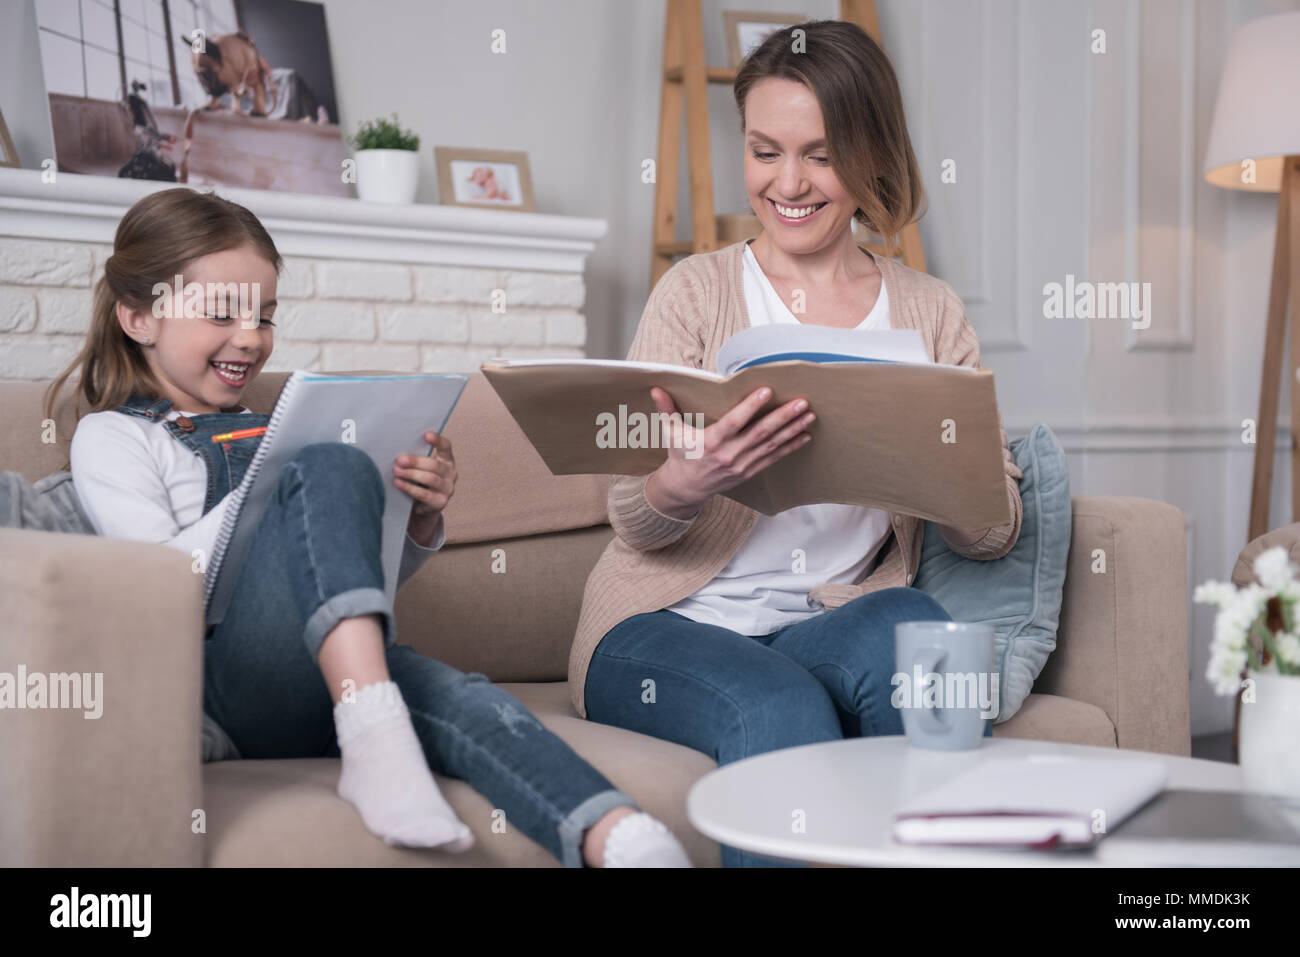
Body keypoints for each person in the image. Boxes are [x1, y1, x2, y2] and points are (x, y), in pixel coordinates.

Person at [49, 187, 690, 868]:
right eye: (222, 314)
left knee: (466, 699)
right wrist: (287, 492)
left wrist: (415, 517)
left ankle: (619, 835)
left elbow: (352, 578)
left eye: (265, 316)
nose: (250, 337)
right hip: (222, 683)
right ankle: (375, 732)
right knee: (326, 461)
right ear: (138, 318)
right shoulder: (113, 438)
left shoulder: (273, 420)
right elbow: (163, 587)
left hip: (334, 673)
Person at [573, 20, 1024, 867]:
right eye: (765, 150)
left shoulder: (930, 311)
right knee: (778, 706)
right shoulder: (695, 293)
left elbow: (994, 533)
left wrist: (939, 470)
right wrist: (687, 478)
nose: (789, 182)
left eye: (820, 154)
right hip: (665, 620)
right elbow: (633, 516)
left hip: (827, 617)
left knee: (924, 638)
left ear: (871, 153)